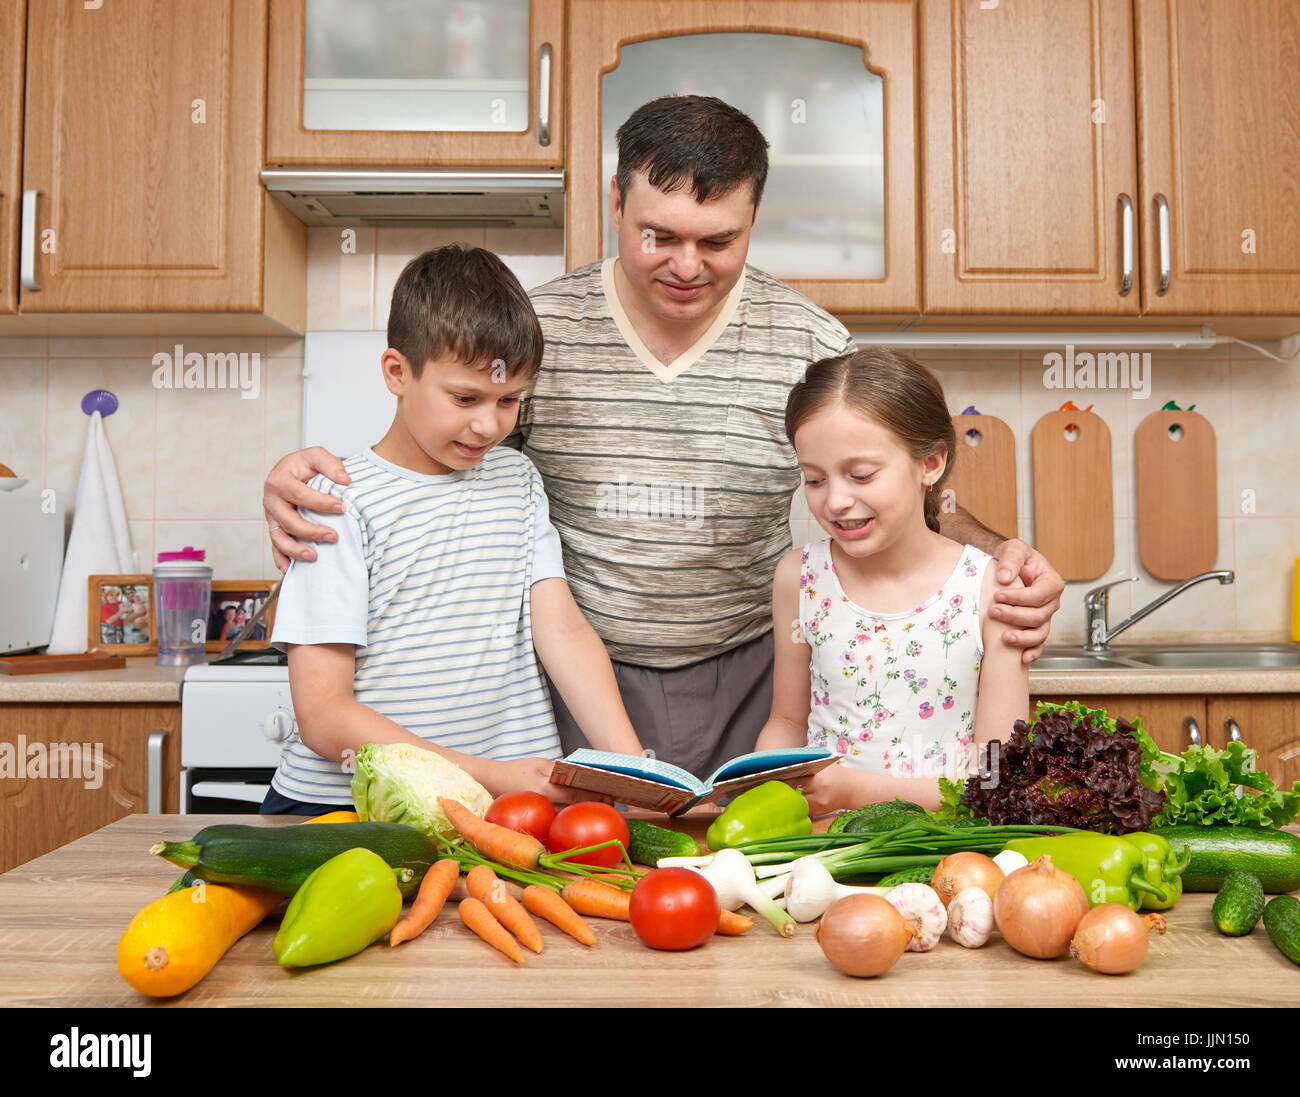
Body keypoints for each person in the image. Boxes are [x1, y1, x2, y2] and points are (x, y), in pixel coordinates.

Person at [261, 95, 1063, 782]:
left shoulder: (811, 342)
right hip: (585, 687)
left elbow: (891, 480)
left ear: (754, 219)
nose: (687, 265)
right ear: (616, 201)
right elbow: (444, 456)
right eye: (659, 236)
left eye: (718, 242)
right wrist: (310, 480)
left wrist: (1001, 554)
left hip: (759, 679)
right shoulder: (537, 332)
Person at [259, 244, 645, 816]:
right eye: (465, 397)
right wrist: (493, 776)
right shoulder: (335, 501)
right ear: (397, 372)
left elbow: (561, 632)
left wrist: (636, 772)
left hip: (494, 815)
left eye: (510, 400)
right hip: (345, 813)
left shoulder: (517, 480)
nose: (489, 423)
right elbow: (322, 717)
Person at [754, 349, 1028, 813]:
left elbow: (1001, 777)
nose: (836, 500)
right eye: (815, 479)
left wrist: (856, 791)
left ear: (931, 464)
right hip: (823, 844)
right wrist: (763, 785)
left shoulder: (989, 589)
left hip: (945, 848)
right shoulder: (798, 577)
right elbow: (785, 719)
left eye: (861, 475)